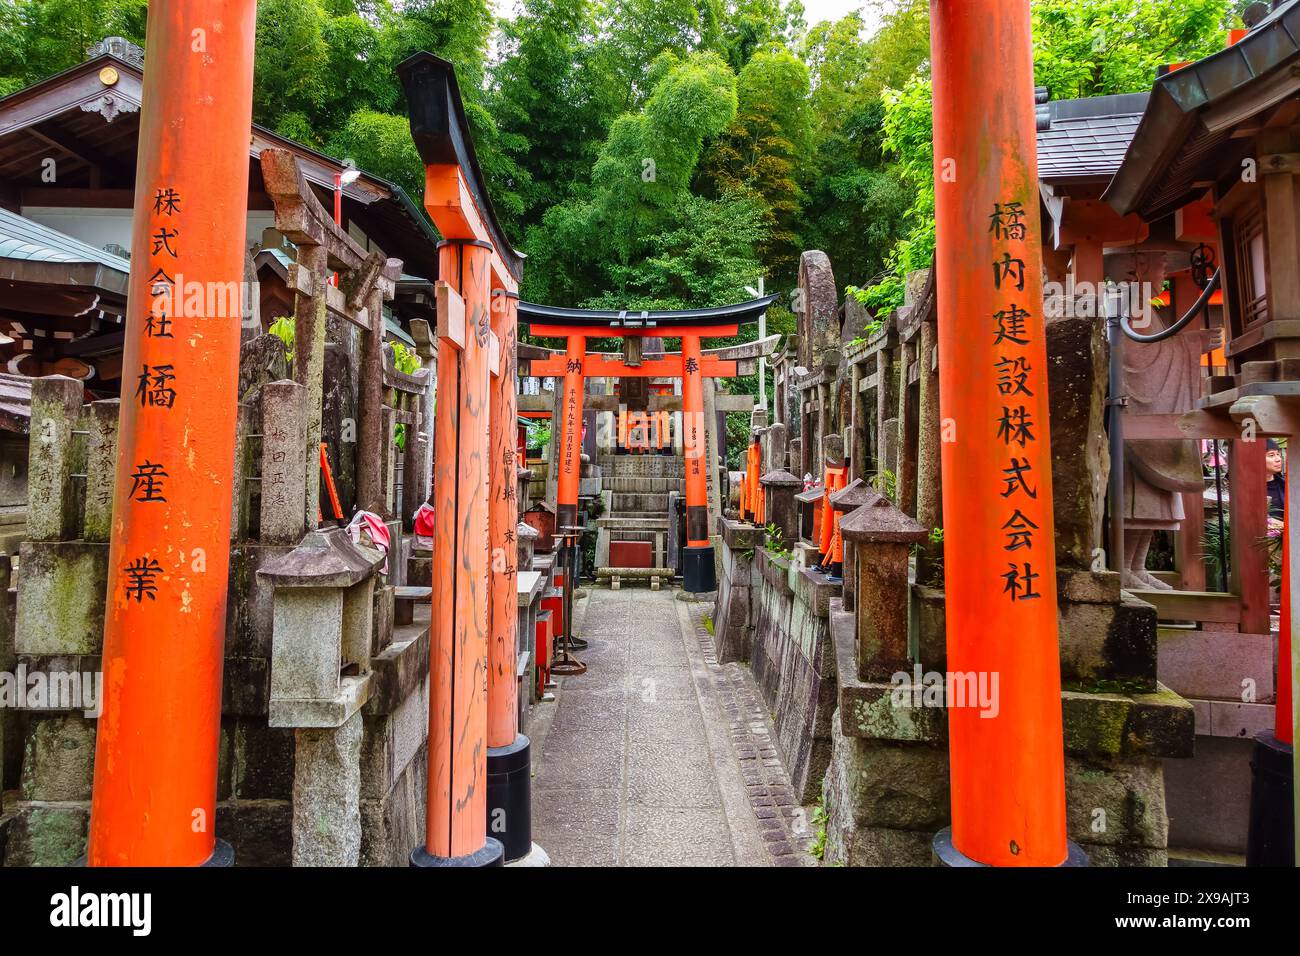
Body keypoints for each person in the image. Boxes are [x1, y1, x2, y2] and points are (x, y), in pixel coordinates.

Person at [1265, 439, 1286, 522]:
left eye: (1278, 454)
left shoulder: (1285, 485)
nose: (1278, 459)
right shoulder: (1247, 489)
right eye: (1271, 455)